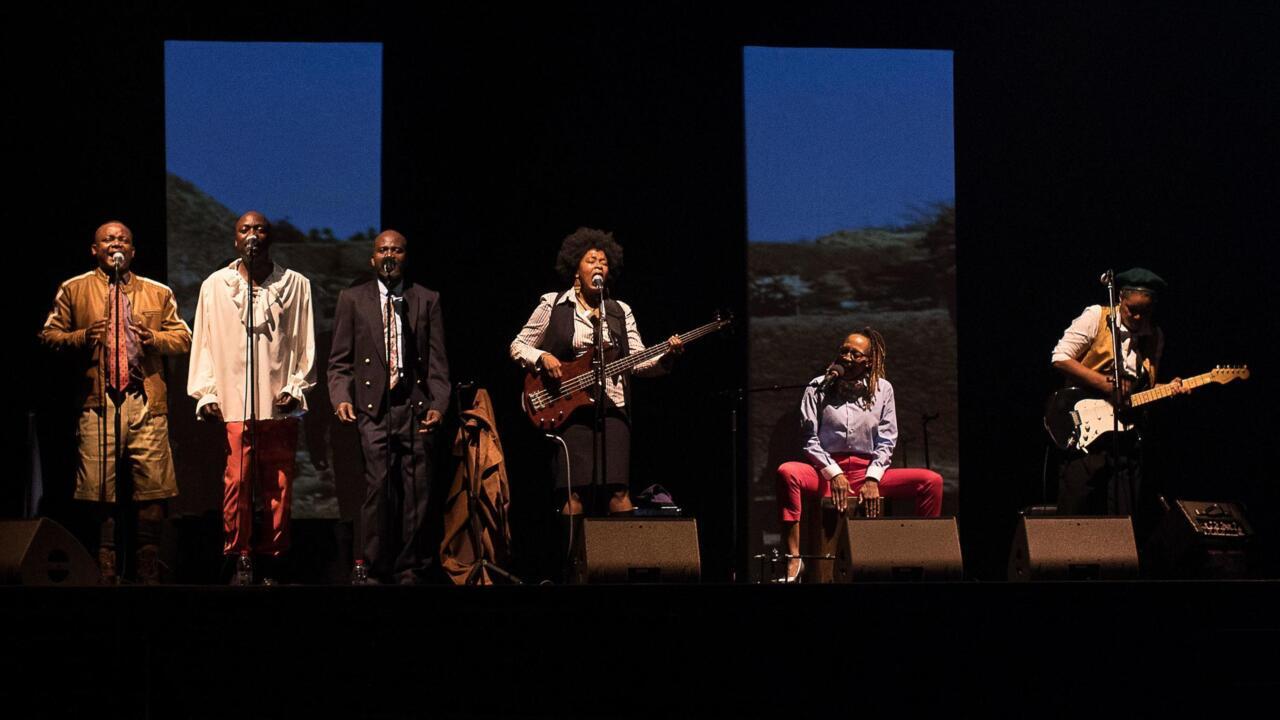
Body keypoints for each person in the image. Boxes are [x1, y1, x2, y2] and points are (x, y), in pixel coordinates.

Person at [40, 221, 192, 584]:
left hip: (145, 400)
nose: (116, 243)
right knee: (99, 486)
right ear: (95, 250)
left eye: (123, 239)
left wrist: (153, 337)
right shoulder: (74, 289)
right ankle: (104, 564)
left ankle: (147, 563)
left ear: (133, 251)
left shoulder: (158, 292)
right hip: (98, 401)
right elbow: (48, 335)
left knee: (152, 486)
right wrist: (80, 336)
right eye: (108, 239)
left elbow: (183, 338)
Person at [509, 227, 683, 517]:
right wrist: (543, 357)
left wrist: (665, 356)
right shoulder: (552, 304)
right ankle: (573, 561)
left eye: (603, 261)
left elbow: (637, 362)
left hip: (613, 409)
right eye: (591, 260)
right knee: (573, 492)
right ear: (576, 269)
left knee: (618, 490)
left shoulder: (619, 311)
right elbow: (518, 346)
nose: (599, 265)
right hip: (568, 408)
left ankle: (617, 562)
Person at [188, 211, 315, 583]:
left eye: (259, 229)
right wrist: (206, 391)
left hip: (278, 403)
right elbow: (204, 341)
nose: (252, 234)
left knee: (277, 486)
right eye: (245, 229)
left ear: (270, 237)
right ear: (235, 239)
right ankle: (239, 555)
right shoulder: (215, 285)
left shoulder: (295, 285)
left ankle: (273, 558)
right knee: (237, 483)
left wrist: (296, 385)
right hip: (233, 402)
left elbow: (304, 342)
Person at [328, 229, 450, 584]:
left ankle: (411, 566)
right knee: (377, 488)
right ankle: (370, 565)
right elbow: (339, 361)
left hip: (413, 407)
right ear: (372, 258)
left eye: (396, 250)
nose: (389, 255)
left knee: (417, 491)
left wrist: (438, 405)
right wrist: (342, 397)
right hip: (372, 408)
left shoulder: (425, 299)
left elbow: (438, 365)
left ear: (405, 257)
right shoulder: (353, 299)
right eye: (383, 250)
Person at [775, 328, 943, 582]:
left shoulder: (883, 389)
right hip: (826, 472)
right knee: (787, 472)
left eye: (855, 353)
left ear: (870, 361)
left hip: (867, 472)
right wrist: (834, 473)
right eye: (844, 350)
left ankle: (924, 557)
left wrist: (873, 478)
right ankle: (795, 560)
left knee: (931, 482)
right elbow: (810, 439)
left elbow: (887, 440)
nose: (847, 357)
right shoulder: (817, 386)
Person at [1050, 267, 1186, 519]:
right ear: (1120, 298)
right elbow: (1059, 357)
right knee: (1075, 514)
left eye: (1144, 312)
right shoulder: (1096, 317)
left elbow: (1139, 392)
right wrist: (1105, 384)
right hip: (1087, 434)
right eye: (1131, 309)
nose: (1136, 317)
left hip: (1126, 439)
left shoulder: (1154, 337)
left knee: (1124, 519)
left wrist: (1168, 389)